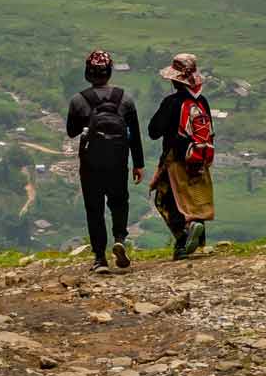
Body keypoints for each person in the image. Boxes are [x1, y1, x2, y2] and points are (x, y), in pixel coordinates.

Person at [65, 49, 144, 273]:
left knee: (94, 208)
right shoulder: (125, 99)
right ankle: (119, 237)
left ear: (88, 74)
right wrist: (138, 164)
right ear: (109, 73)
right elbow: (134, 135)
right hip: (118, 162)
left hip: (91, 165)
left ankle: (100, 258)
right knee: (119, 202)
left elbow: (71, 132)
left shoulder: (78, 100)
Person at [147, 52, 215, 260]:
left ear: (175, 80)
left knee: (165, 199)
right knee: (195, 197)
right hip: (199, 158)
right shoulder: (202, 101)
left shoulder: (172, 103)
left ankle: (182, 239)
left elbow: (153, 131)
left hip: (175, 159)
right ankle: (197, 234)